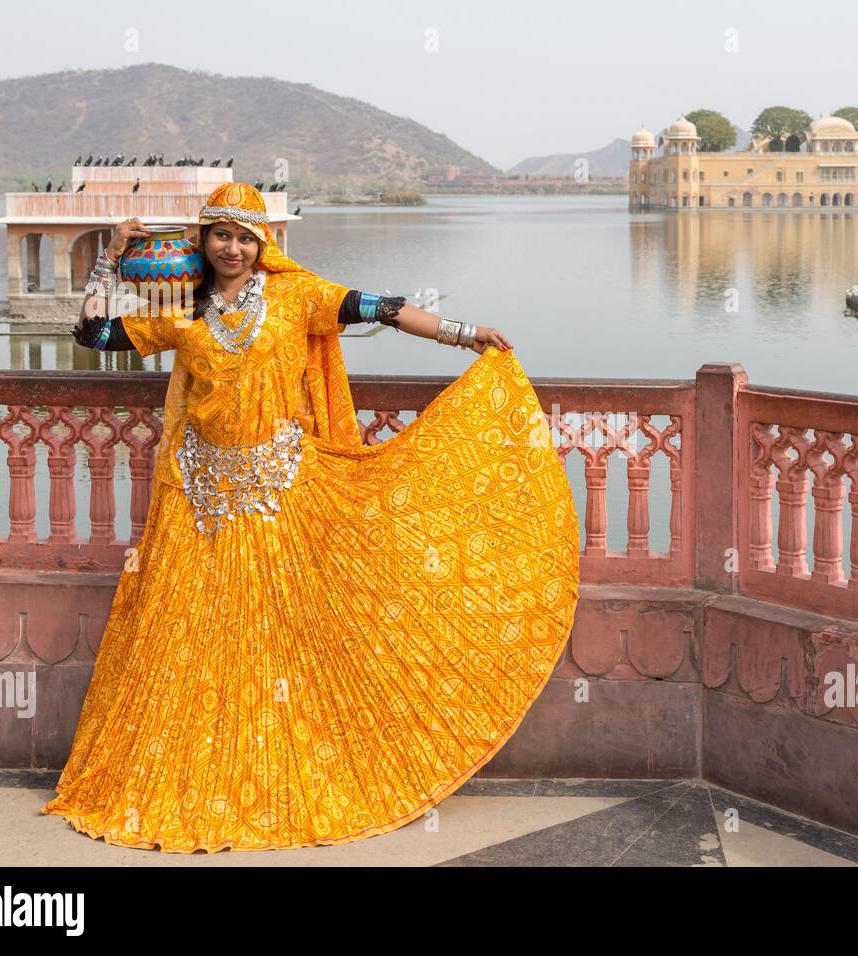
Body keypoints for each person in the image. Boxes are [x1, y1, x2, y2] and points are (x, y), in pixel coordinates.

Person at [41, 182, 580, 852]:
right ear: (203, 240)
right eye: (222, 235)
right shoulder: (181, 313)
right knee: (191, 642)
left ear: (262, 243)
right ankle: (196, 778)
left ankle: (294, 774)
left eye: (246, 236)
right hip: (200, 503)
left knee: (289, 639)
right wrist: (110, 255)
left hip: (281, 496)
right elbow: (92, 335)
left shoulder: (297, 299)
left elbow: (380, 307)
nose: (234, 248)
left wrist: (464, 335)